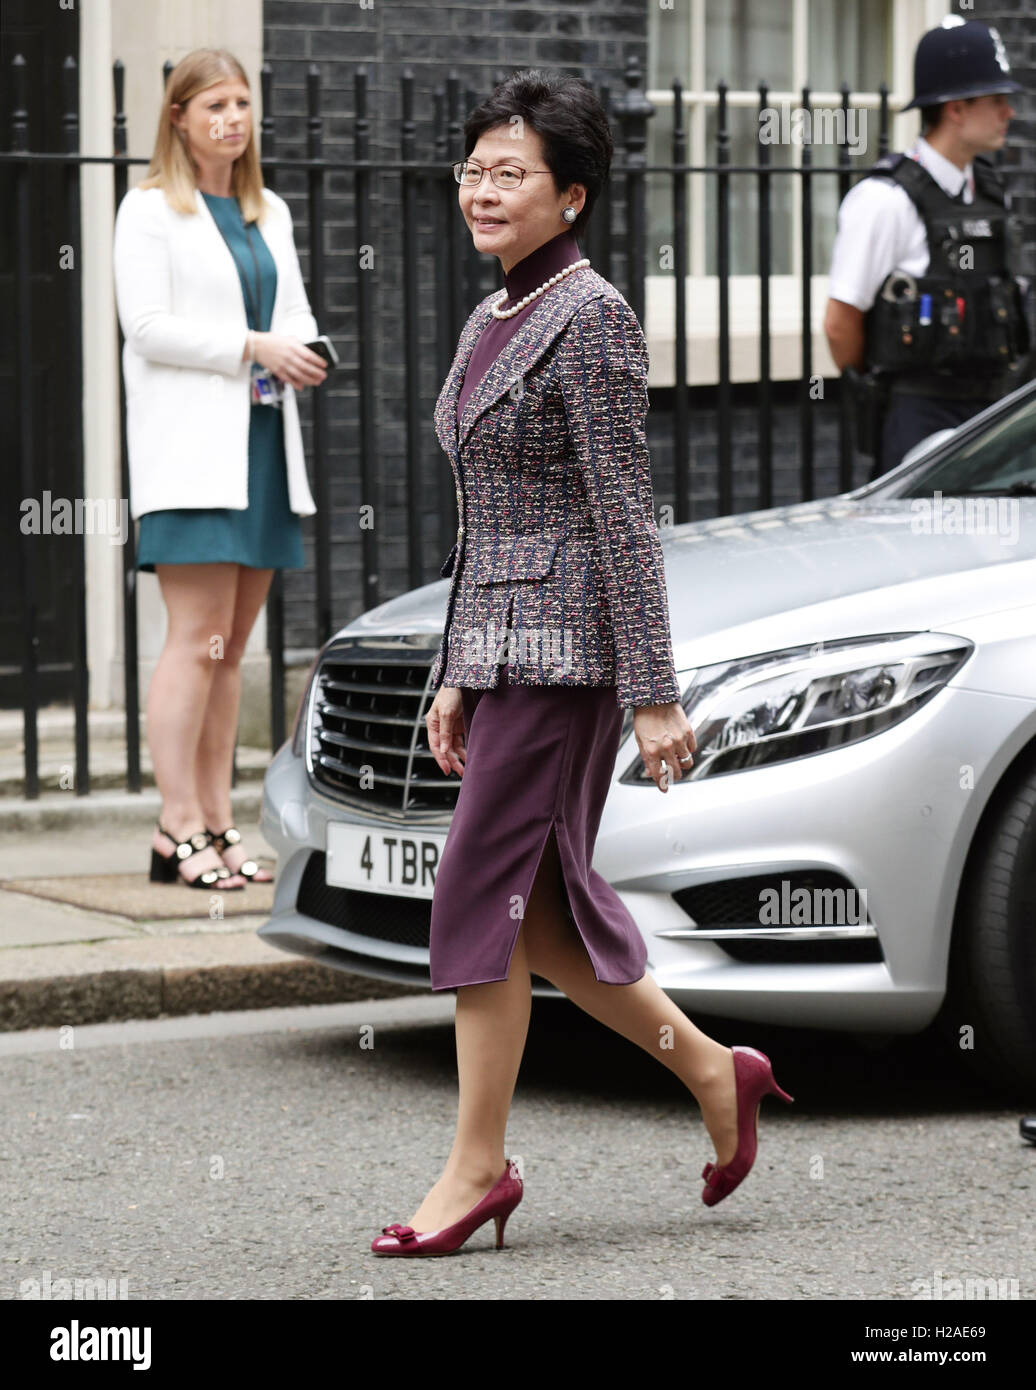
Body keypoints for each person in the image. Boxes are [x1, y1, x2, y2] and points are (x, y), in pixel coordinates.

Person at [370, 69, 794, 1258]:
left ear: (572, 195)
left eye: (511, 175)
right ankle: (718, 1073)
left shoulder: (593, 315)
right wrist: (455, 666)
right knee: (538, 918)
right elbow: (483, 514)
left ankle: (476, 1166)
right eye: (473, 171)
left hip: (569, 662)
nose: (482, 192)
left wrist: (653, 690)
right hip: (500, 652)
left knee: (473, 891)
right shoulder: (491, 314)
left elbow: (621, 513)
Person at [113, 48, 328, 890]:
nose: (233, 119)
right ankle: (175, 826)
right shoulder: (148, 211)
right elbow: (148, 328)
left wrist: (301, 349)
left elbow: (295, 310)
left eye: (242, 103)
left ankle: (218, 817)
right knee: (192, 644)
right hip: (193, 455)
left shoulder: (265, 207)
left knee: (231, 648)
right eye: (215, 106)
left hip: (264, 447)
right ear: (179, 118)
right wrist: (252, 347)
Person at [824, 17, 1030, 479]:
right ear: (956, 108)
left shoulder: (992, 194)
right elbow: (841, 324)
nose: (1009, 113)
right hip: (919, 412)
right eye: (996, 101)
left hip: (994, 414)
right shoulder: (885, 199)